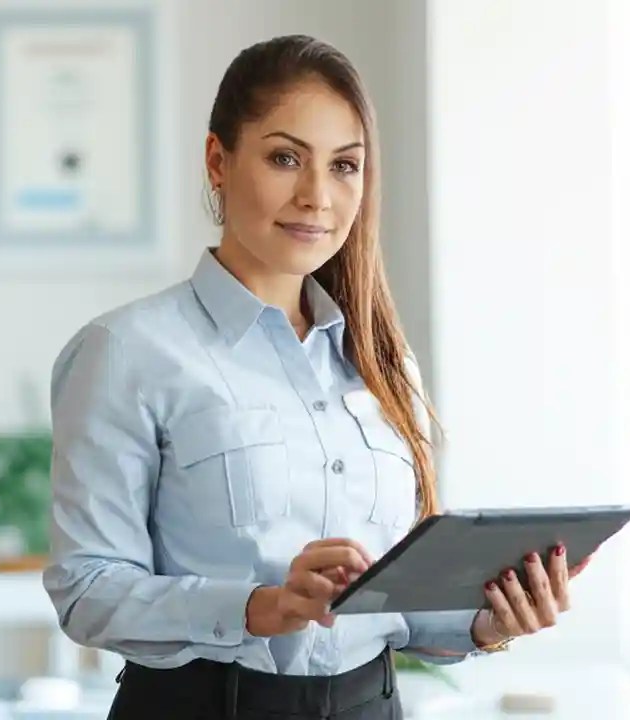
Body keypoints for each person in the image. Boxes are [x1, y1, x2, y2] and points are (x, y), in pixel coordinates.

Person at [43, 35, 591, 720]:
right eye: (284, 158)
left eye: (345, 166)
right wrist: (260, 607)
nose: (316, 196)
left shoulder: (384, 363)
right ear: (218, 161)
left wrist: (491, 622)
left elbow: (396, 605)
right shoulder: (127, 351)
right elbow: (87, 589)